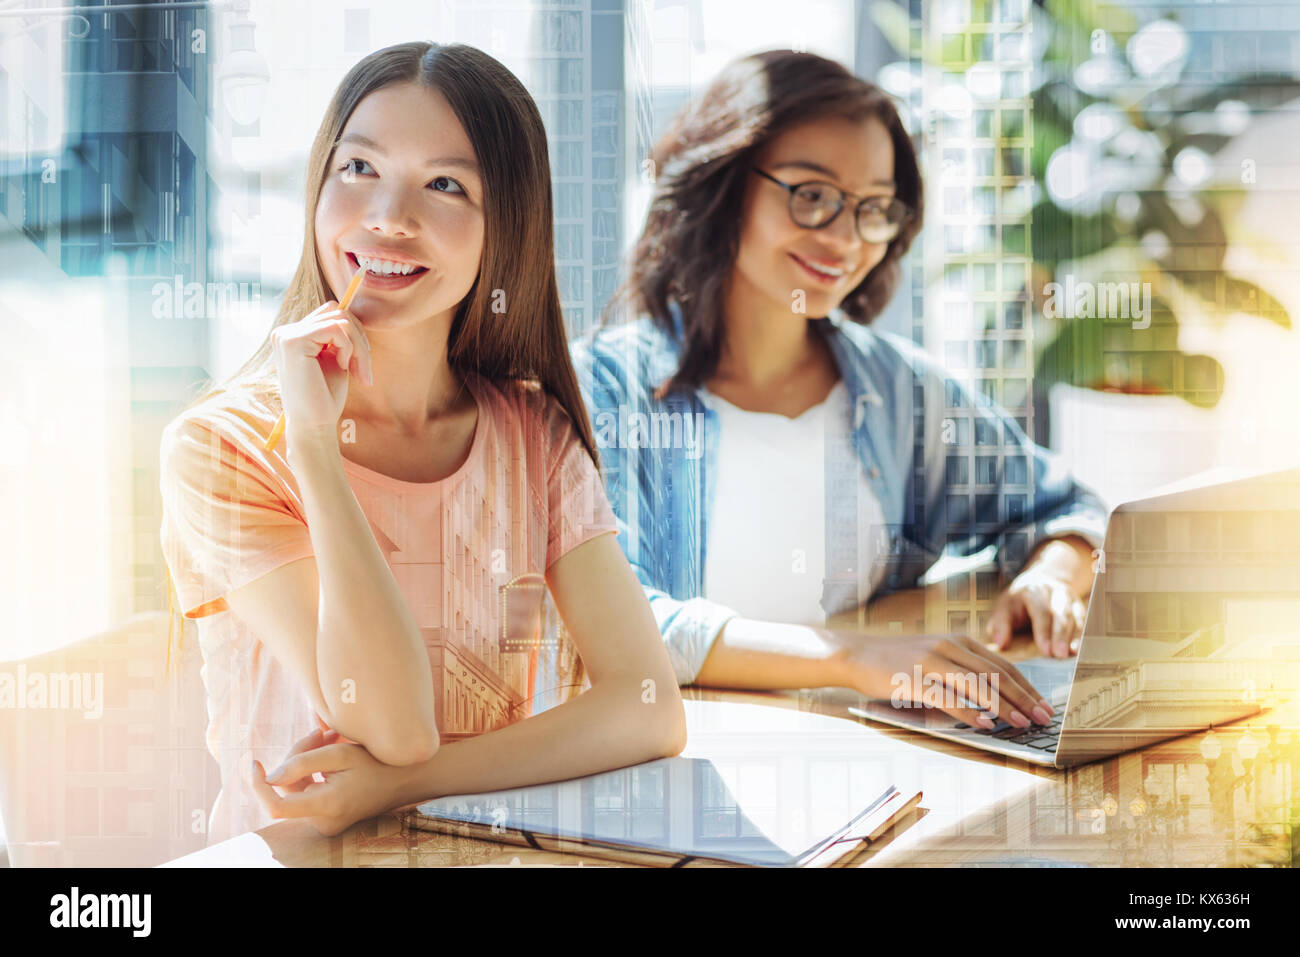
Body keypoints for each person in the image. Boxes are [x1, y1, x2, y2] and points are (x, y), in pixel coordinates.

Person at [159, 42, 685, 844]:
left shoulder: (531, 433)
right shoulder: (222, 449)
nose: (388, 217)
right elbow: (391, 723)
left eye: (445, 185)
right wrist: (313, 447)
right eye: (359, 168)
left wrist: (411, 783)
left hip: (478, 851)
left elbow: (647, 706)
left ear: (504, 227)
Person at [570, 50, 1108, 731]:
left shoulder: (899, 390)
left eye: (873, 208)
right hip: (693, 765)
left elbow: (1065, 503)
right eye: (813, 195)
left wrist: (1053, 574)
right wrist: (849, 657)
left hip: (871, 752)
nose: (847, 239)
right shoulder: (602, 389)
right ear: (725, 183)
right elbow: (618, 624)